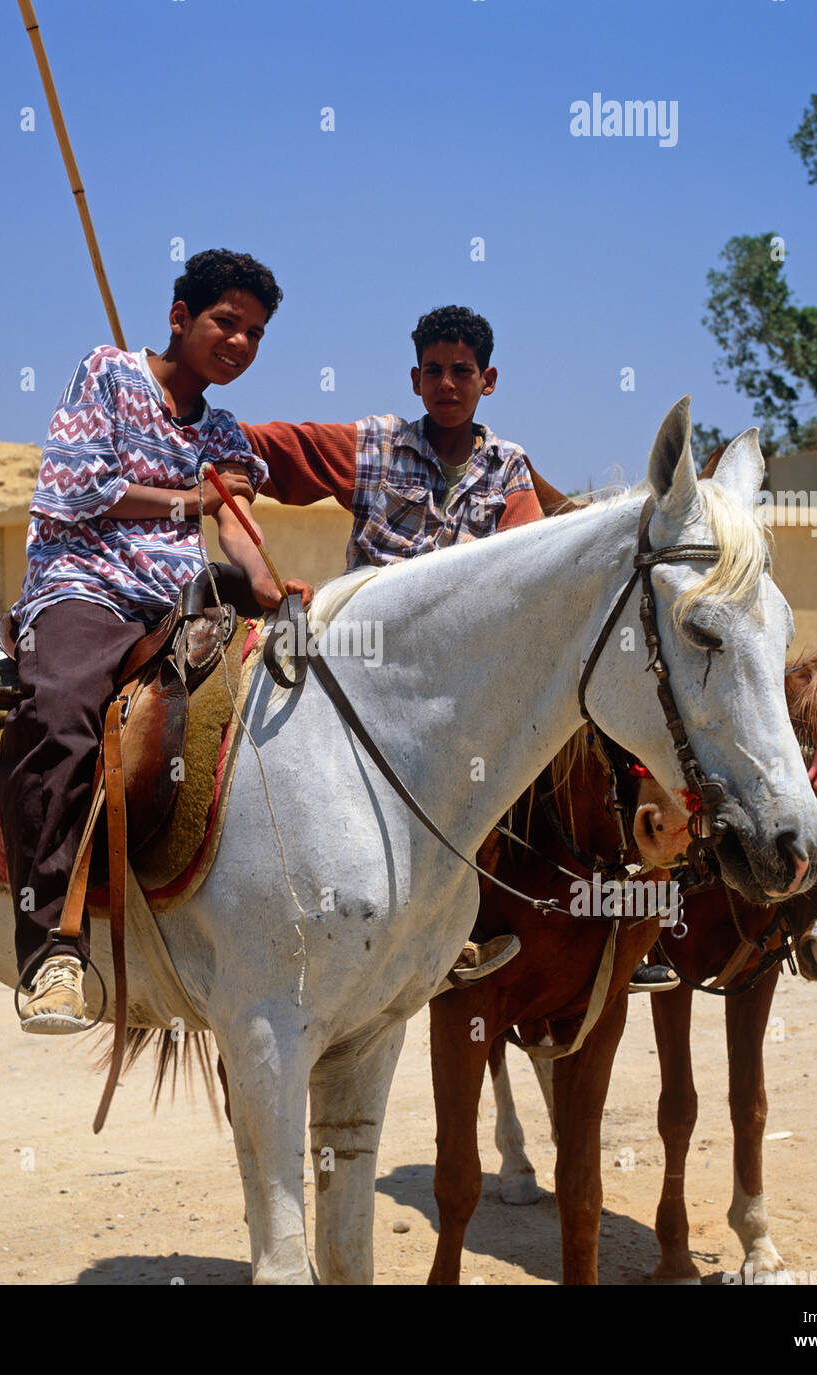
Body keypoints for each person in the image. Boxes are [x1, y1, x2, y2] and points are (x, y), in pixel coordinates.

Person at [0, 249, 311, 1033]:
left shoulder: (227, 430)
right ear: (180, 317)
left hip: (180, 602)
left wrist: (273, 587)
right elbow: (73, 490)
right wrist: (189, 501)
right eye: (225, 323)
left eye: (256, 334)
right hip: (87, 585)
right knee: (64, 709)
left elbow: (236, 523)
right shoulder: (104, 373)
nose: (240, 342)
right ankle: (51, 953)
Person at [244, 304, 580, 987]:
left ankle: (533, 919)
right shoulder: (375, 444)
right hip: (362, 667)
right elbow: (271, 450)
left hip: (460, 685)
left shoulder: (508, 468)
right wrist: (200, 436)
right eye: (433, 370)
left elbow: (534, 566)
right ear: (414, 377)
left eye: (462, 371)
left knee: (564, 749)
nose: (446, 383)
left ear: (488, 380)